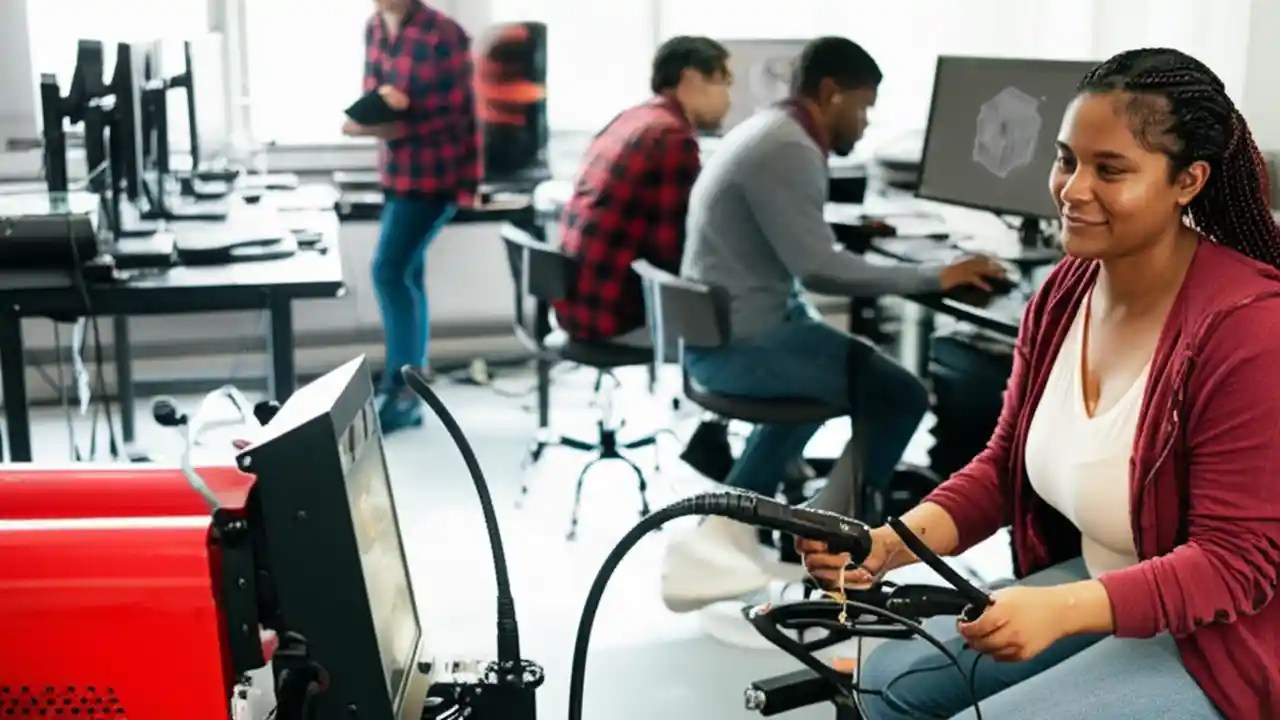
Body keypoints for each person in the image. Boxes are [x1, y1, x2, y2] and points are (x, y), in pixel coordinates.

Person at [801, 47, 1280, 719]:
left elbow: (1235, 564)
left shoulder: (1250, 330)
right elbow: (1004, 469)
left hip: (1226, 633)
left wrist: (1062, 609)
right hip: (1106, 576)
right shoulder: (1064, 291)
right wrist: (887, 545)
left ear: (1188, 181)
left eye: (1110, 169)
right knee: (887, 683)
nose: (1072, 190)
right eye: (1067, 160)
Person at [661, 37, 1004, 616]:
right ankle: (837, 543)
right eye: (864, 106)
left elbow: (791, 235)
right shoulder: (790, 148)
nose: (867, 123)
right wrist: (937, 276)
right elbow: (819, 269)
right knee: (899, 394)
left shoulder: (767, 130)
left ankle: (735, 524)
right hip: (743, 346)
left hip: (721, 334)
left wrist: (855, 233)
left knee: (843, 374)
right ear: (831, 93)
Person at [344, 0, 481, 433]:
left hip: (436, 175)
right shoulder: (375, 28)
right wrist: (380, 116)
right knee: (407, 276)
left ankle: (401, 389)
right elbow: (376, 101)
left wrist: (389, 120)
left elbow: (460, 116)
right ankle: (411, 388)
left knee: (388, 271)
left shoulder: (444, 33)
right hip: (397, 174)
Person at [552, 36, 732, 347]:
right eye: (724, 83)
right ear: (690, 79)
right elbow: (676, 252)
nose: (729, 100)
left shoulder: (631, 119)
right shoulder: (673, 138)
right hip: (615, 320)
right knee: (749, 325)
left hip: (579, 306)